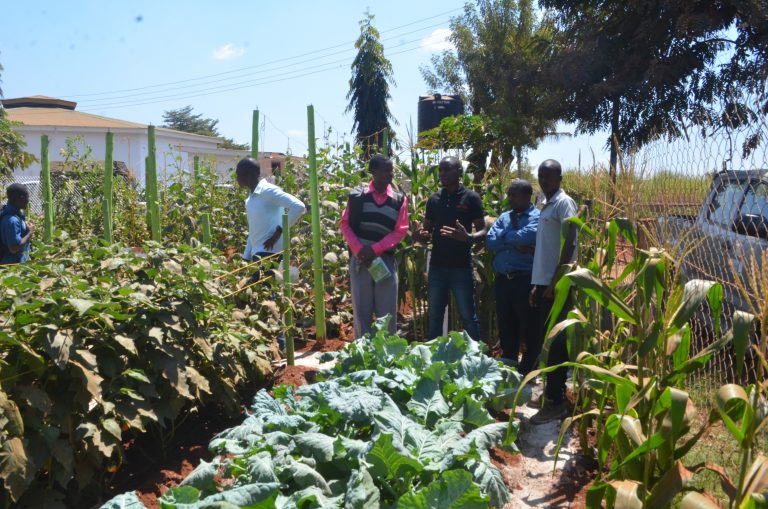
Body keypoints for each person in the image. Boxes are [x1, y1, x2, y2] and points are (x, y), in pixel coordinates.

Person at [528, 159, 579, 425]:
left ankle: (556, 401)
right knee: (546, 340)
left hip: (557, 286)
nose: (543, 180)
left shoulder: (563, 203)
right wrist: (537, 285)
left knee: (557, 344)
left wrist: (555, 282)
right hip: (544, 284)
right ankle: (550, 392)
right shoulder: (545, 204)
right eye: (540, 175)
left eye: (548, 175)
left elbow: (570, 243)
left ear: (560, 178)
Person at [414, 156, 486, 340]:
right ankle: (434, 354)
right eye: (441, 170)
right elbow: (427, 231)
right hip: (437, 267)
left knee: (468, 317)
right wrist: (421, 235)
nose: (442, 174)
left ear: (459, 172)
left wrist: (468, 237)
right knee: (435, 316)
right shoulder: (434, 200)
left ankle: (476, 354)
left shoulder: (471, 198)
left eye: (447, 169)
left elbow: (484, 230)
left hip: (461, 267)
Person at [340, 154, 408, 338]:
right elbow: (344, 224)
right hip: (361, 261)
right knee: (361, 312)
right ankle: (363, 351)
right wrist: (359, 250)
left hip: (384, 260)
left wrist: (374, 249)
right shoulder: (358, 197)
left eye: (391, 170)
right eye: (385, 170)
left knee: (387, 314)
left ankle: (385, 351)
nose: (390, 174)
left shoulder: (399, 200)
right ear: (373, 172)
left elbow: (400, 230)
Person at [486, 179, 539, 368]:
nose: (509, 198)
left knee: (528, 326)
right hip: (503, 280)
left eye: (513, 195)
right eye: (509, 194)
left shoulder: (537, 217)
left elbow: (528, 236)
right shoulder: (504, 216)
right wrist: (516, 244)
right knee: (506, 324)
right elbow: (490, 241)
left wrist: (503, 236)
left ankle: (528, 368)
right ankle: (509, 364)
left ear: (527, 196)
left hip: (524, 280)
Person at [0, 183, 33, 265]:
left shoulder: (9, 212)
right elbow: (14, 248)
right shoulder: (12, 220)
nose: (28, 200)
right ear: (20, 198)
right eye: (27, 197)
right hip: (13, 266)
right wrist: (29, 233)